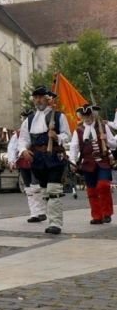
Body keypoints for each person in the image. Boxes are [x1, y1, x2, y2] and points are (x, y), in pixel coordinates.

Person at [16, 86, 71, 235]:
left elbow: (67, 136)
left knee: (54, 191)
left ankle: (55, 223)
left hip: (54, 157)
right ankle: (51, 218)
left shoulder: (58, 116)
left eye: (40, 97)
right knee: (45, 192)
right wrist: (23, 150)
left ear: (47, 99)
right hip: (38, 160)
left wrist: (57, 137)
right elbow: (23, 139)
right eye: (35, 98)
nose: (38, 100)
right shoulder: (29, 120)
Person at [68, 104, 115, 224]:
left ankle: (106, 213)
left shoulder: (103, 126)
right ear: (82, 116)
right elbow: (74, 147)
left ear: (93, 115)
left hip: (103, 162)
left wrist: (106, 139)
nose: (87, 118)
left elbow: (114, 144)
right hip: (88, 163)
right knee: (91, 191)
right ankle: (97, 216)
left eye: (89, 115)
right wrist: (72, 161)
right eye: (84, 116)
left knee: (103, 186)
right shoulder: (78, 130)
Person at [8, 111, 47, 223]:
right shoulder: (18, 134)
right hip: (23, 162)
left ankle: (41, 211)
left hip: (36, 160)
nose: (25, 121)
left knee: (36, 186)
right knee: (29, 189)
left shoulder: (38, 131)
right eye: (23, 118)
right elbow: (12, 147)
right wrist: (11, 160)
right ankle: (34, 213)